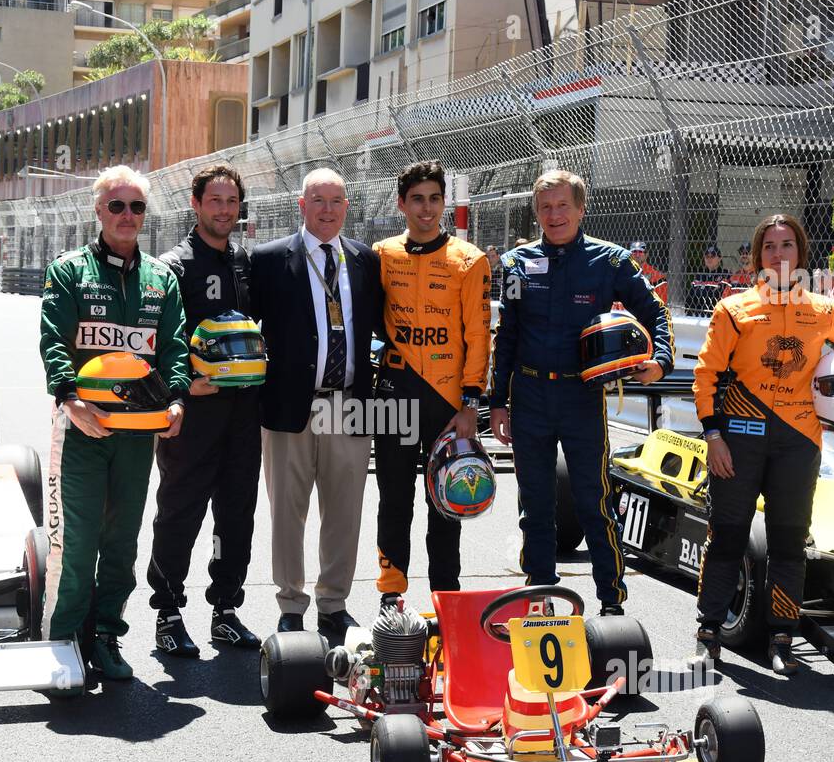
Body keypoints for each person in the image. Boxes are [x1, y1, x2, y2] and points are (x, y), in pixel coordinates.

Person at [691, 214, 834, 676]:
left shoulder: (822, 310)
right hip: (737, 442)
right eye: (769, 246)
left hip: (799, 442)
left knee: (789, 544)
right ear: (758, 255)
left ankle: (782, 637)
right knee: (726, 538)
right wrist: (713, 436)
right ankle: (708, 632)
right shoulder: (734, 309)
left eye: (786, 246)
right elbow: (706, 377)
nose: (778, 255)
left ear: (800, 254)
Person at [489, 170, 673, 613]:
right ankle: (540, 601)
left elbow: (655, 312)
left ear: (581, 209)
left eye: (562, 206)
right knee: (535, 506)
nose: (554, 215)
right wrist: (497, 402)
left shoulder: (609, 261)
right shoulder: (516, 263)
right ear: (537, 213)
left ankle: (611, 602)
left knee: (594, 501)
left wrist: (660, 360)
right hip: (529, 396)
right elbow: (506, 337)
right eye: (545, 207)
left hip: (582, 398)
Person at [39, 165, 191, 688]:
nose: (127, 216)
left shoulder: (161, 279)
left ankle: (105, 636)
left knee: (122, 543)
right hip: (82, 429)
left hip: (137, 435)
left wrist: (176, 401)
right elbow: (53, 339)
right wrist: (69, 396)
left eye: (137, 207)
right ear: (99, 211)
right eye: (117, 206)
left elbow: (174, 347)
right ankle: (63, 641)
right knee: (75, 545)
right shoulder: (68, 272)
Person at [248, 168, 384, 634]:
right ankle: (290, 604)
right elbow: (245, 331)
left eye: (337, 201)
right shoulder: (267, 259)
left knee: (345, 510)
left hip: (350, 402)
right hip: (290, 405)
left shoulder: (366, 261)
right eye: (319, 200)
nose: (328, 209)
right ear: (301, 206)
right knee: (288, 510)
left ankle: (333, 603)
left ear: (347, 207)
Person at [146, 164, 262, 657]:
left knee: (237, 512)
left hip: (242, 411)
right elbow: (150, 342)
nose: (224, 210)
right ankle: (169, 612)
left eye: (231, 201)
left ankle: (226, 610)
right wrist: (182, 386)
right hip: (194, 414)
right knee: (181, 510)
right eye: (214, 200)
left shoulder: (244, 262)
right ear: (195, 205)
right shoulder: (173, 266)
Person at [374, 161, 491, 610]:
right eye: (417, 199)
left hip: (447, 401)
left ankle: (446, 595)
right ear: (402, 203)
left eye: (435, 198)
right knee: (393, 498)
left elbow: (479, 335)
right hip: (393, 395)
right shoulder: (382, 255)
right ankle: (391, 593)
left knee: (447, 499)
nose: (427, 208)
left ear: (445, 202)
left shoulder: (469, 259)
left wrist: (470, 403)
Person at [687, 242, 729, 317]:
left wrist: (701, 293)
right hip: (696, 315)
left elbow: (718, 296)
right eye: (707, 256)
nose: (709, 259)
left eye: (712, 256)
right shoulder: (700, 275)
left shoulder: (725, 274)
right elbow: (690, 296)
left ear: (719, 258)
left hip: (715, 315)